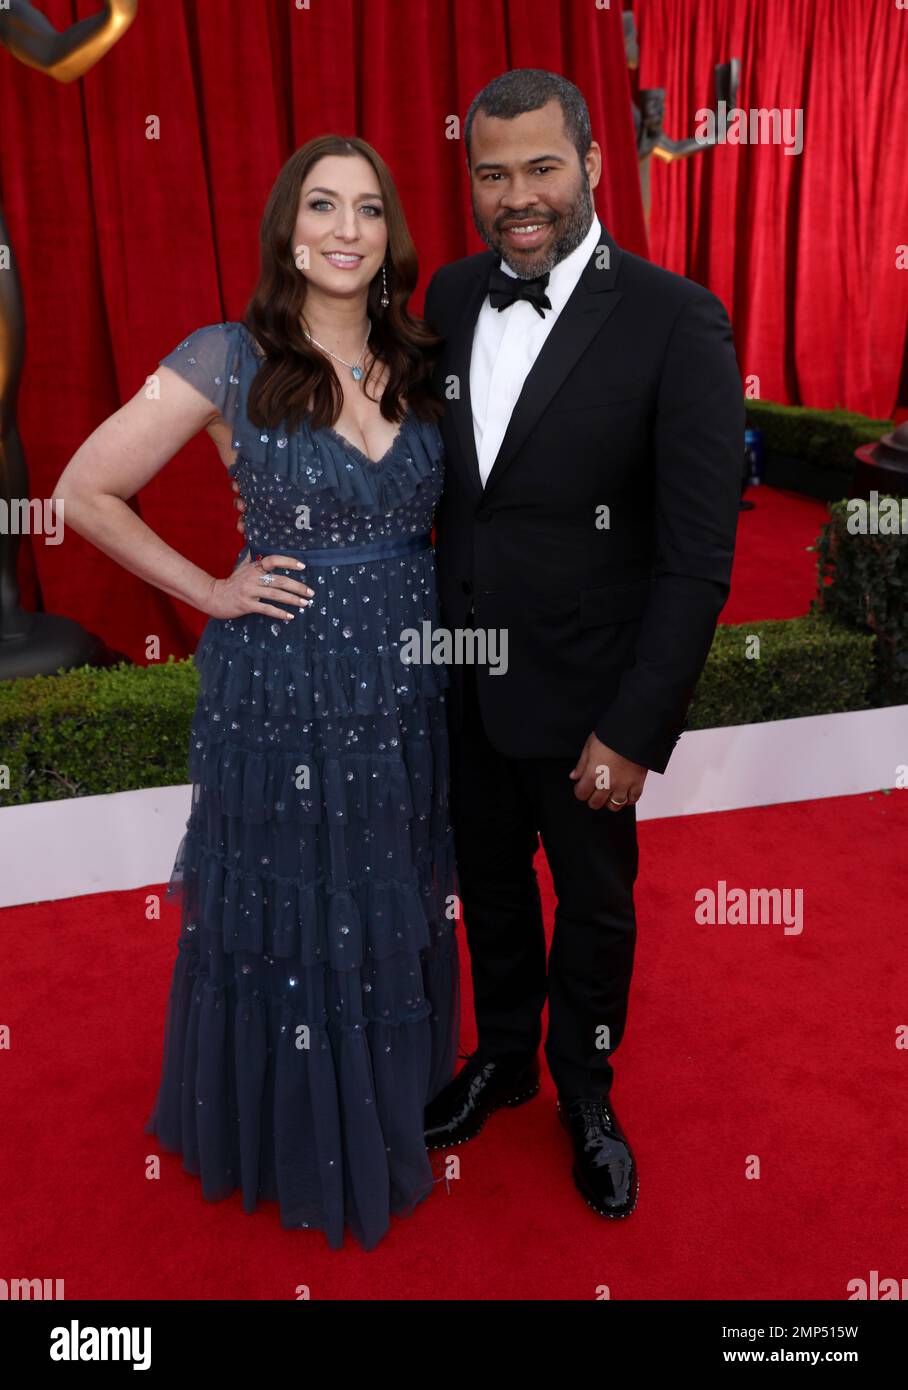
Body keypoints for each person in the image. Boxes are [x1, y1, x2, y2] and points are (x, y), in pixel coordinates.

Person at [51, 135, 460, 1252]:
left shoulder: (420, 355)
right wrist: (207, 591)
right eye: (320, 206)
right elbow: (85, 489)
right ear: (286, 229)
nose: (343, 229)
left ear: (389, 236)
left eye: (366, 210)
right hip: (282, 682)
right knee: (297, 896)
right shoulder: (228, 356)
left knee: (390, 884)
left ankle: (385, 1104)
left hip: (406, 680)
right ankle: (289, 1130)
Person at [419, 70, 743, 1218]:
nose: (518, 196)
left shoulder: (673, 317)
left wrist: (632, 728)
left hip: (590, 701)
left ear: (593, 165)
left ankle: (584, 1091)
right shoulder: (449, 297)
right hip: (463, 687)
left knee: (594, 910)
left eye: (541, 168)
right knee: (489, 889)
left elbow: (699, 557)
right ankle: (502, 1057)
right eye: (492, 173)